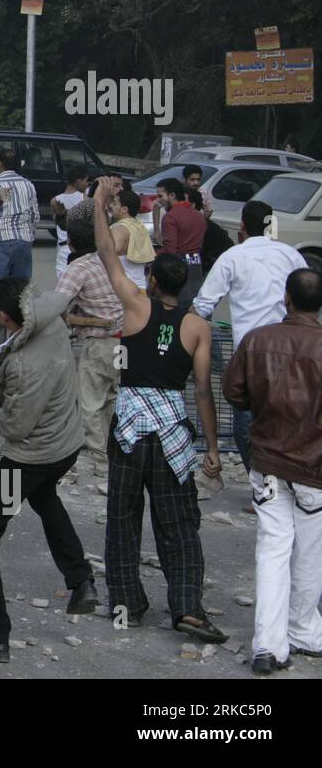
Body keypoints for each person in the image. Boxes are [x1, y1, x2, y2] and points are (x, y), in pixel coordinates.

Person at [90, 178, 228, 644]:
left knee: (123, 519)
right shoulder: (197, 327)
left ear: (151, 281)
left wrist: (99, 202)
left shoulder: (135, 306)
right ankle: (187, 607)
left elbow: (106, 253)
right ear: (182, 285)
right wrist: (212, 449)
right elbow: (203, 392)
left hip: (130, 428)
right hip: (172, 433)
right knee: (179, 523)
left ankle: (127, 603)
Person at [0, 277, 99, 663]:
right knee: (45, 498)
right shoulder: (42, 316)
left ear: (6, 313)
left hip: (32, 455)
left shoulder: (27, 364)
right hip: (65, 444)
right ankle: (81, 580)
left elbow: (15, 427)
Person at [223, 267, 322, 675]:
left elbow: (233, 392)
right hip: (315, 468)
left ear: (287, 299)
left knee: (272, 549)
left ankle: (267, 645)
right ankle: (304, 631)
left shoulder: (257, 339)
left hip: (266, 462)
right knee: (310, 552)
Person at [192, 200, 306, 466]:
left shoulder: (233, 257)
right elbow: (307, 293)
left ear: (242, 225)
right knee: (287, 417)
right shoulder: (291, 255)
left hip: (250, 355)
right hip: (290, 351)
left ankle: (260, 478)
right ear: (271, 224)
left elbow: (202, 306)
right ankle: (279, 475)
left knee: (246, 423)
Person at [54, 213, 123, 476]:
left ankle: (101, 458)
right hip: (124, 342)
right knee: (113, 397)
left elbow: (56, 305)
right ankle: (116, 450)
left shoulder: (78, 268)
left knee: (90, 402)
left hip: (100, 343)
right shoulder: (109, 261)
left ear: (70, 241)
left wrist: (77, 320)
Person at [0, 149, 38, 284]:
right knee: (21, 288)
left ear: (1, 164)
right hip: (24, 240)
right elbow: (35, 216)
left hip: (0, 241)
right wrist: (29, 235)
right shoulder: (28, 185)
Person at [154, 178, 207, 306]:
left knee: (172, 308)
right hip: (196, 265)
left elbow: (170, 250)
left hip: (177, 269)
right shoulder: (199, 216)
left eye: (160, 196)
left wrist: (155, 255)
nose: (158, 200)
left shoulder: (170, 217)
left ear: (172, 195)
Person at [108, 188, 154, 292]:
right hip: (140, 287)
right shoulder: (140, 226)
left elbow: (108, 254)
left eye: (115, 203)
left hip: (123, 290)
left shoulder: (119, 229)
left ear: (124, 209)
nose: (110, 205)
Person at [51, 167, 88, 278]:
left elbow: (56, 221)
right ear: (79, 181)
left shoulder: (55, 200)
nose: (87, 184)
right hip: (80, 248)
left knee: (62, 282)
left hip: (62, 248)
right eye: (86, 181)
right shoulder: (85, 199)